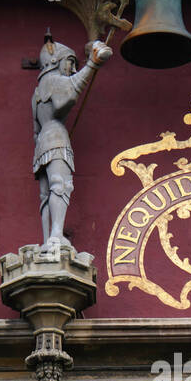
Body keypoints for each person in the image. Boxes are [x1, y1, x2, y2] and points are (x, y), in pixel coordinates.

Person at [32, 29, 111, 249]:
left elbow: (35, 131)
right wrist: (92, 64)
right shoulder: (54, 81)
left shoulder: (37, 92)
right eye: (70, 62)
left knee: (46, 193)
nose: (72, 68)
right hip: (57, 136)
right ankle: (56, 234)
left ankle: (49, 237)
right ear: (55, 61)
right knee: (62, 185)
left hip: (42, 142)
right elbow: (67, 94)